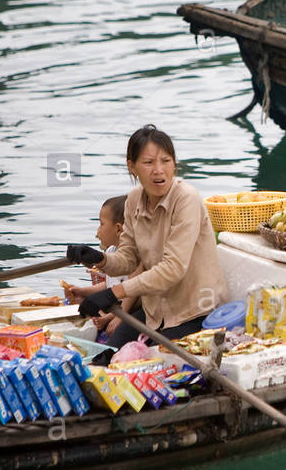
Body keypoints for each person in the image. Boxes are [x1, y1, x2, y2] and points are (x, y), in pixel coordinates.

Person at [64, 125, 226, 354]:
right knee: (105, 358)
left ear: (174, 164)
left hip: (194, 314)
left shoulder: (186, 199)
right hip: (154, 312)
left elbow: (173, 268)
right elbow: (129, 258)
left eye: (166, 161)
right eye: (148, 163)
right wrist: (99, 259)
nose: (158, 171)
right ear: (132, 166)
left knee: (146, 363)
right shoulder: (134, 200)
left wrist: (113, 293)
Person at [86, 195, 140, 342]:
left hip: (126, 310)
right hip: (114, 308)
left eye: (102, 224)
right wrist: (83, 292)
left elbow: (132, 292)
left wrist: (114, 318)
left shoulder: (134, 256)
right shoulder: (111, 252)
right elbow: (110, 284)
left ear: (118, 229)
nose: (98, 230)